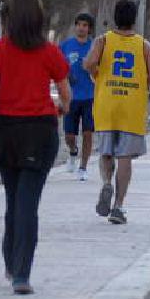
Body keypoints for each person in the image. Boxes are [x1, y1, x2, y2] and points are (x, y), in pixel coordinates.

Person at [0, 0, 71, 295]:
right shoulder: (49, 52)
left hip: (6, 131)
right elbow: (66, 96)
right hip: (40, 131)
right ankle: (21, 274)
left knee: (12, 200)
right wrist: (57, 109)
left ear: (8, 18)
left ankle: (11, 263)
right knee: (28, 204)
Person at [83, 0, 150, 224]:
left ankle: (106, 183)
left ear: (114, 17)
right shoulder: (144, 45)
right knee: (125, 157)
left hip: (107, 104)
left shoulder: (103, 40)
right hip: (132, 108)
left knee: (106, 152)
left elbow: (88, 63)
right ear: (134, 19)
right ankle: (119, 206)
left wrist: (98, 73)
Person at [60, 13, 96, 181]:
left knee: (88, 133)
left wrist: (92, 70)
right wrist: (66, 75)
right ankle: (73, 151)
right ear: (75, 26)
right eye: (79, 24)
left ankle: (83, 167)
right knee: (69, 136)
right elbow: (58, 67)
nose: (82, 28)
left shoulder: (94, 46)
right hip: (71, 97)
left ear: (89, 29)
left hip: (90, 96)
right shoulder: (66, 45)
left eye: (85, 25)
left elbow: (100, 68)